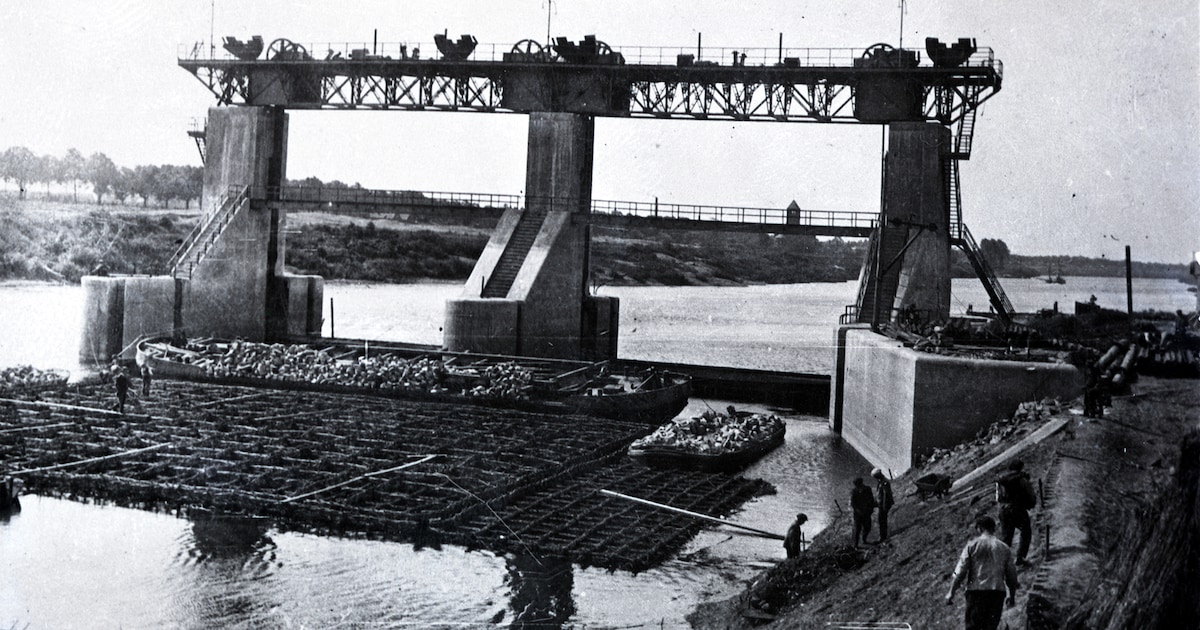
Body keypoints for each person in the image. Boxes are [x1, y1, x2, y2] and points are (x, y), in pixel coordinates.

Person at [946, 515, 1020, 630]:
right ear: (993, 528)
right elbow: (1012, 576)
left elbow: (960, 572)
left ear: (979, 528)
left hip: (976, 593)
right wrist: (1012, 596)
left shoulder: (972, 545)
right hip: (997, 594)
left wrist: (951, 592)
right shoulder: (1004, 548)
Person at [996, 460, 1037, 565]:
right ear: (1020, 468)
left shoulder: (1001, 480)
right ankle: (1020, 558)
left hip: (1003, 510)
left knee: (1006, 537)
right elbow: (1031, 494)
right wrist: (1030, 504)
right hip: (1017, 508)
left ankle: (1001, 565)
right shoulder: (1022, 479)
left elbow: (997, 498)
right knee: (1026, 531)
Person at [850, 477, 876, 547]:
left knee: (868, 527)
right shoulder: (854, 491)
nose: (857, 486)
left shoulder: (867, 489)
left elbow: (871, 499)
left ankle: (864, 539)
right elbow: (853, 503)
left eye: (858, 485)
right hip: (858, 514)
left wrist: (870, 509)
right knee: (857, 529)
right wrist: (858, 511)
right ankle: (856, 545)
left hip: (866, 513)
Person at [872, 468, 895, 542]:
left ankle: (883, 537)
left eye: (875, 477)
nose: (875, 478)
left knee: (882, 520)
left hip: (884, 505)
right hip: (881, 504)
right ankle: (883, 535)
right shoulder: (881, 481)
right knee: (882, 520)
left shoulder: (884, 482)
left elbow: (886, 495)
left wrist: (884, 506)